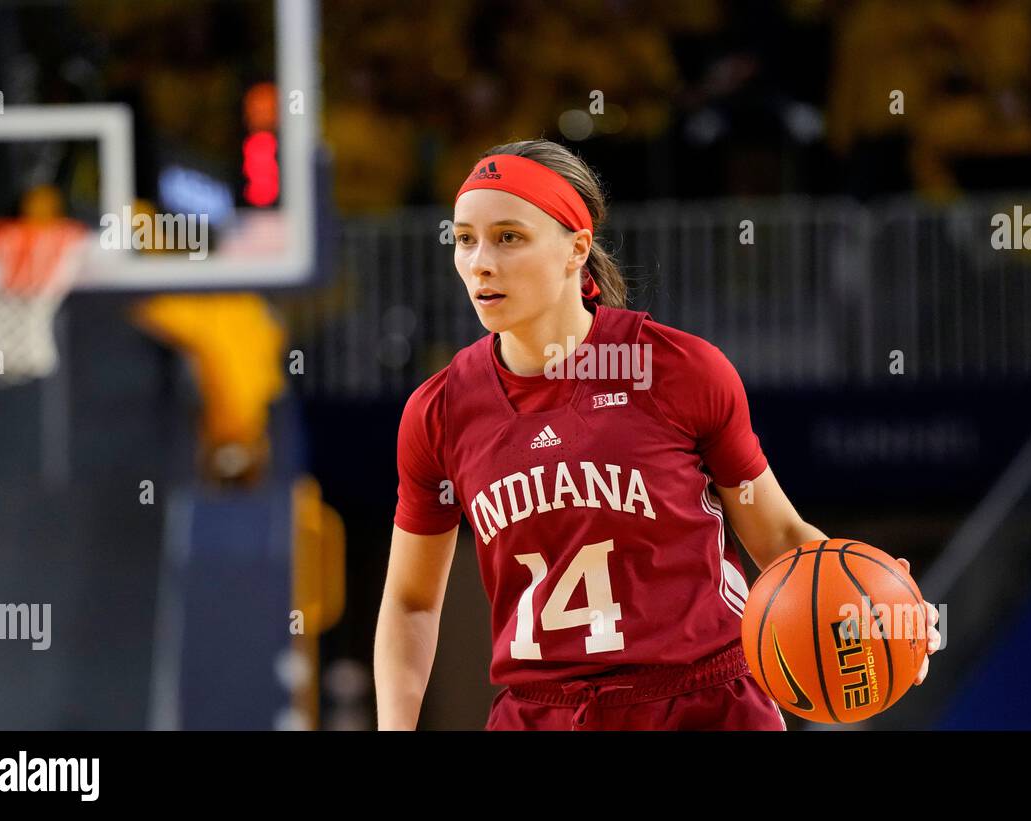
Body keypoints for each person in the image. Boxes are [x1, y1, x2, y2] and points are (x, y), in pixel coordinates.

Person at [374, 139, 942, 730]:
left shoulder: (677, 369)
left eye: (508, 236)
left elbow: (775, 532)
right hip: (543, 714)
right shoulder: (439, 411)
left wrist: (887, 608)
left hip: (705, 702)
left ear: (577, 248)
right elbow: (411, 602)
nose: (480, 262)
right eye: (465, 238)